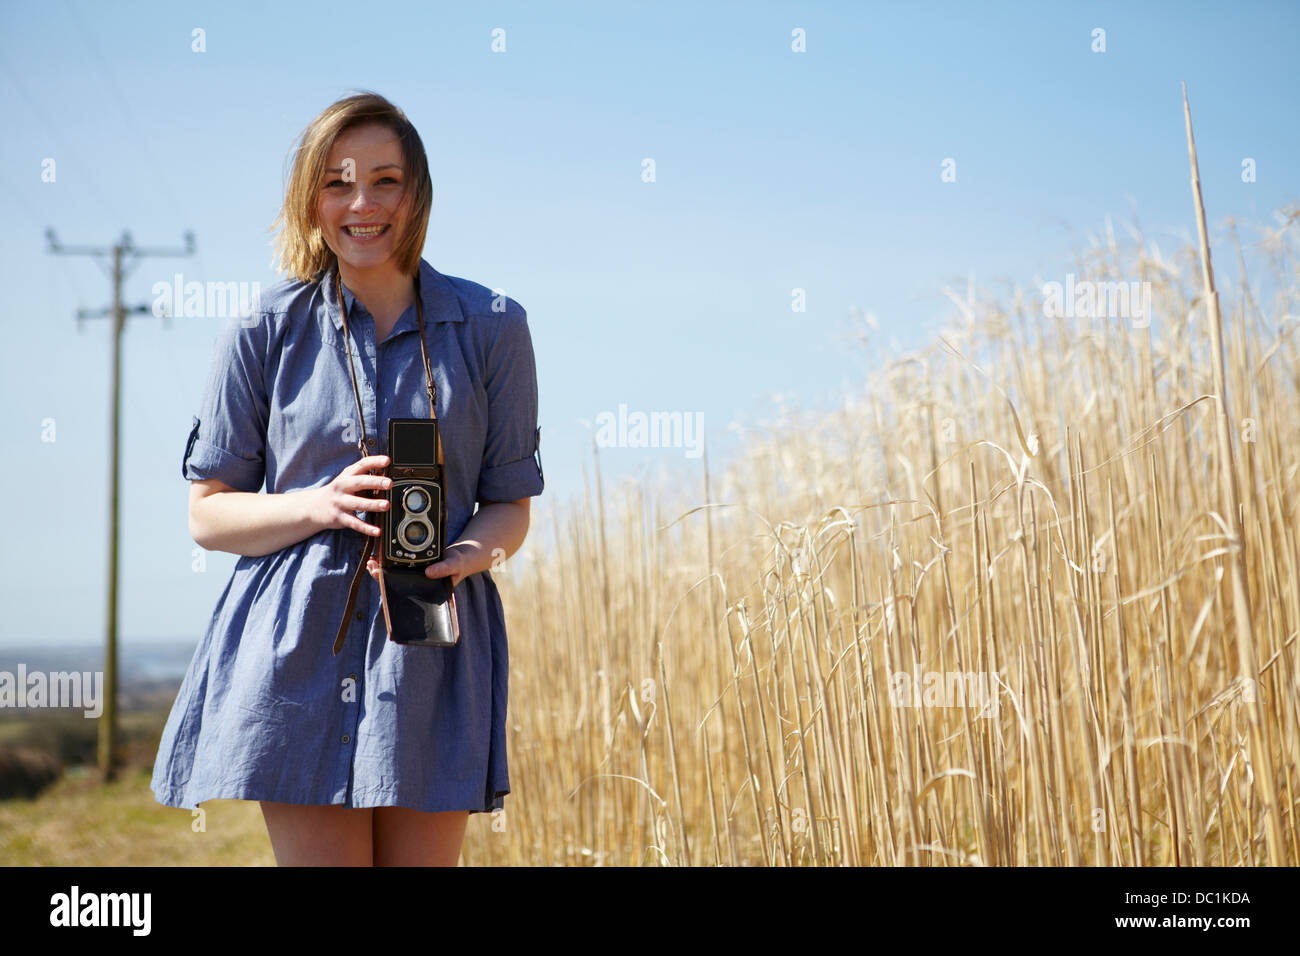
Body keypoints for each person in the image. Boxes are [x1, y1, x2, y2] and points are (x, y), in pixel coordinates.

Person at [150, 91, 545, 866]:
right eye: (337, 182)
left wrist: (469, 555)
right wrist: (318, 504)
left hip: (432, 641)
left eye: (386, 181)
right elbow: (208, 516)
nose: (362, 204)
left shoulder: (496, 325)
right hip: (295, 647)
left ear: (417, 193)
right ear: (310, 200)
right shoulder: (264, 329)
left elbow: (510, 506)